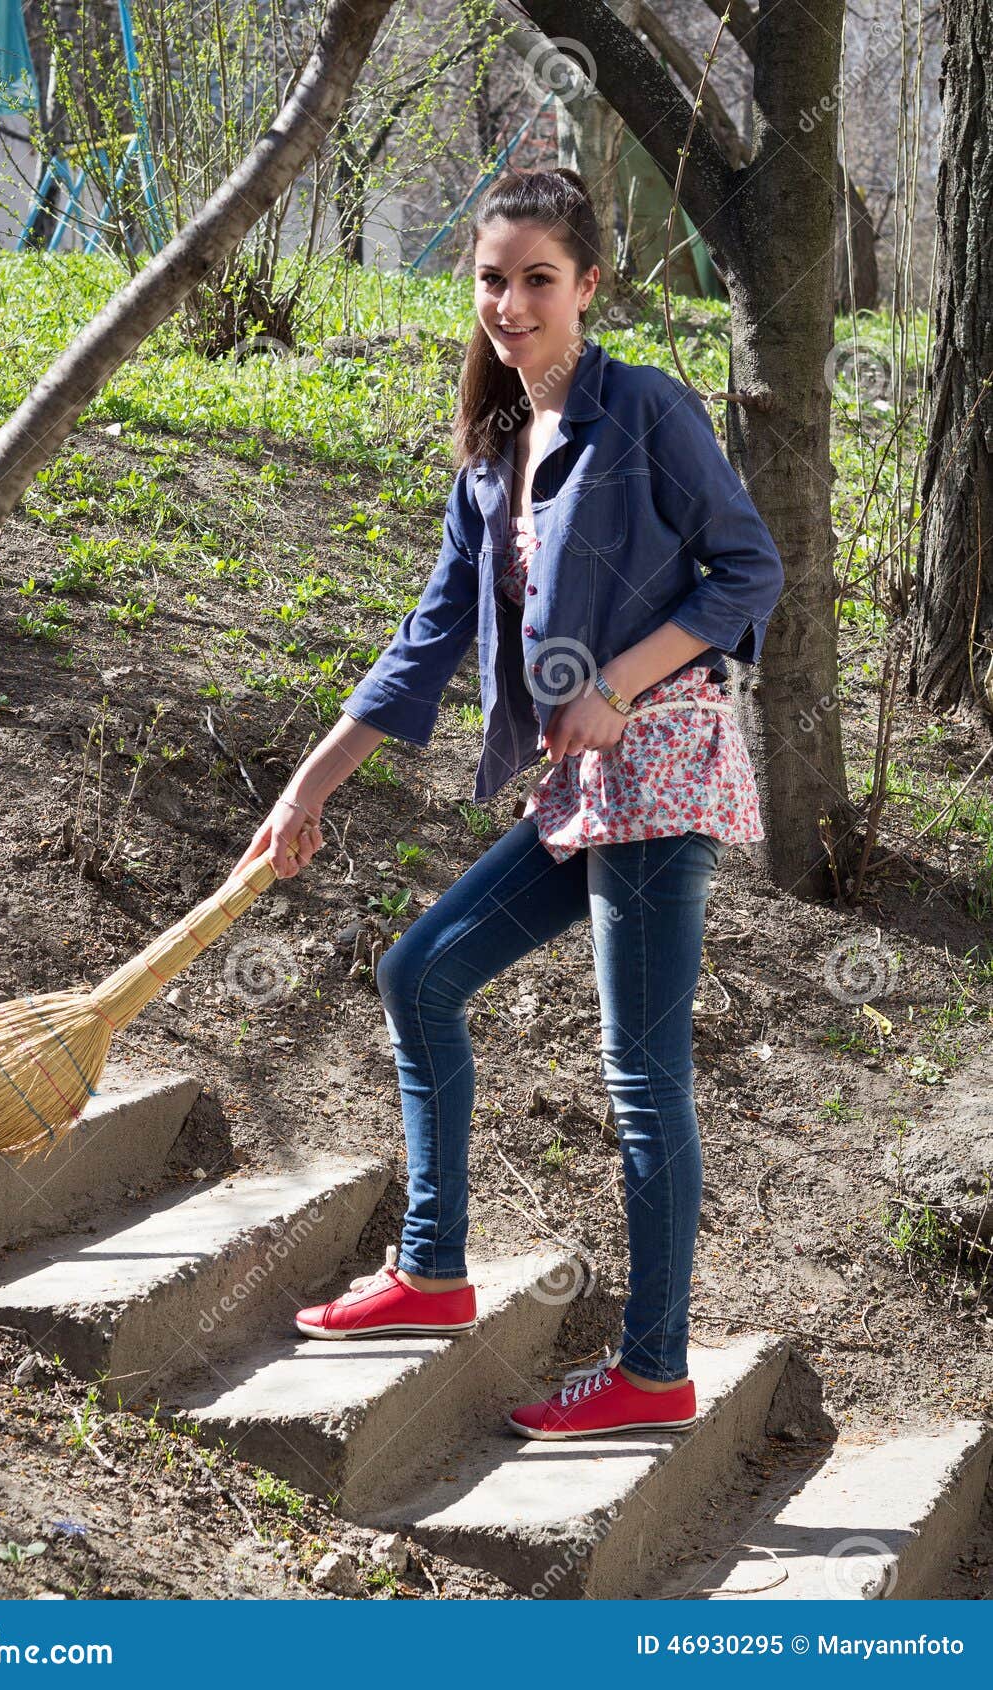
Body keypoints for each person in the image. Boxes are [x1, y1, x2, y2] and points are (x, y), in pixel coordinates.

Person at [229, 166, 784, 1439]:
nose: (513, 302)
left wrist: (621, 689)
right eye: (493, 278)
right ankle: (431, 1273)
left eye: (540, 278)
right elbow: (427, 638)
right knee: (419, 972)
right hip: (582, 783)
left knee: (641, 1083)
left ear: (588, 286)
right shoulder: (492, 452)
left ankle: (654, 1367)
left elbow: (748, 566)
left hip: (656, 769)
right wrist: (309, 787)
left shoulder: (642, 409)